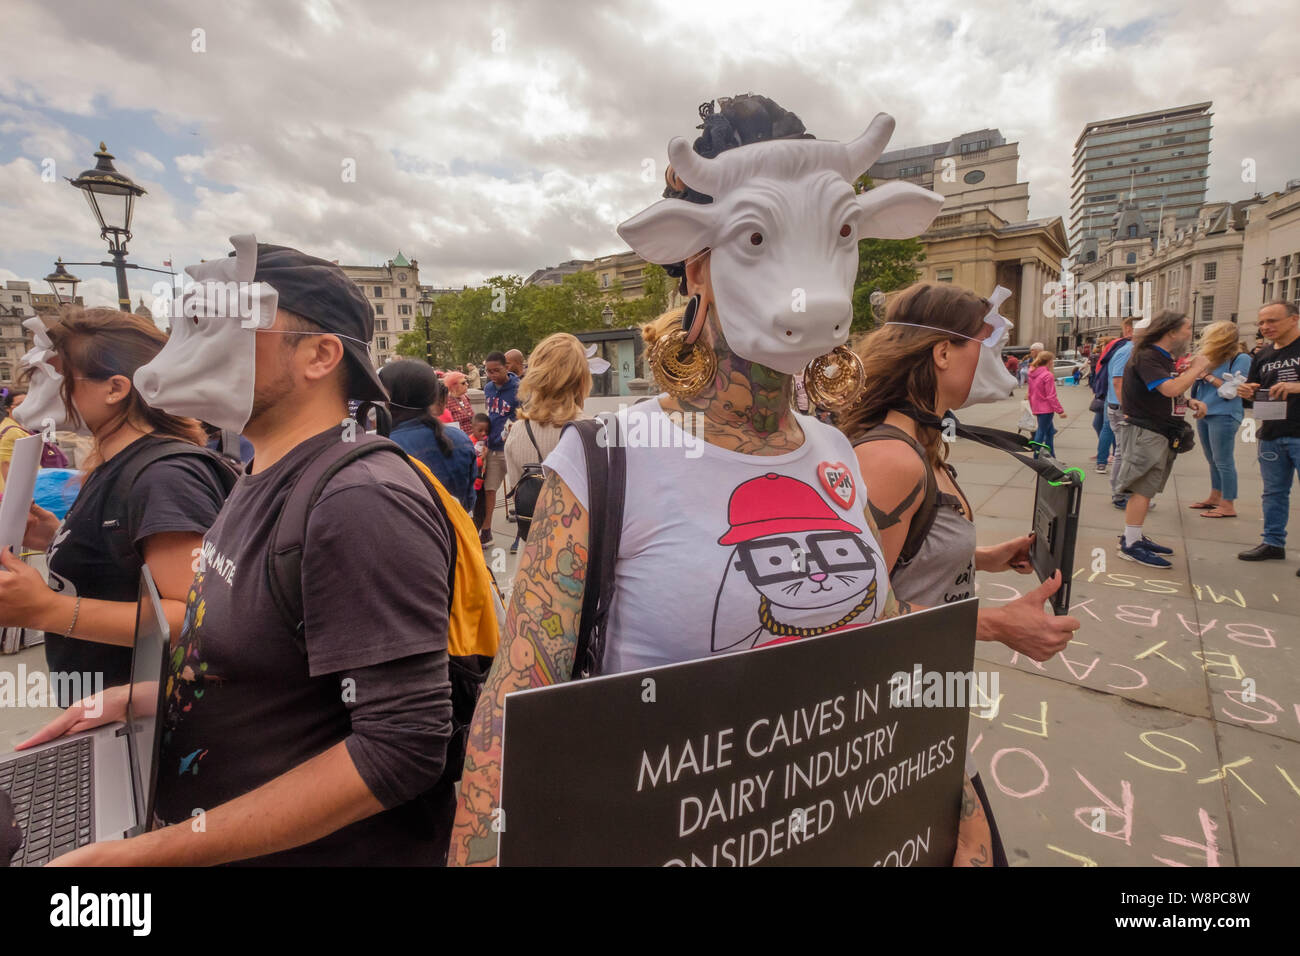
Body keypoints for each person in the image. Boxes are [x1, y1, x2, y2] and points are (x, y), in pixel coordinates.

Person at [450, 94, 992, 867]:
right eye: (756, 238)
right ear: (695, 261)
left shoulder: (837, 451)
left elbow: (887, 643)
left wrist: (957, 795)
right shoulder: (608, 459)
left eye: (837, 232)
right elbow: (513, 708)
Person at [22, 237, 454, 865]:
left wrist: (147, 857)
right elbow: (266, 666)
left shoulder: (357, 500)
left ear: (319, 356)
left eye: (225, 323)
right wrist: (139, 697)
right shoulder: (256, 473)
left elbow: (402, 747)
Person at [841, 281, 1080, 866]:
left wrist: (987, 555)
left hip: (928, 703)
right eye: (982, 341)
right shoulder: (890, 457)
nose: (992, 357)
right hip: (893, 718)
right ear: (942, 353)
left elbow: (899, 556)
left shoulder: (921, 440)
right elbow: (857, 613)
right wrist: (997, 625)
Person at [0, 309, 232, 704]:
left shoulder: (163, 476)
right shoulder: (116, 466)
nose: (44, 392)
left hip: (146, 726)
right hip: (113, 721)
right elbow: (132, 563)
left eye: (56, 377)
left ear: (116, 388)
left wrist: (45, 610)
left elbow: (196, 620)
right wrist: (58, 535)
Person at [1114, 311, 1208, 568]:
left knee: (1148, 487)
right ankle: (1130, 544)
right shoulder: (1148, 356)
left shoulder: (1162, 358)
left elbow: (1165, 392)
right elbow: (1170, 388)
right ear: (1171, 332)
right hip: (1147, 432)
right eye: (1187, 328)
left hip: (1159, 431)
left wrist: (1188, 401)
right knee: (1142, 488)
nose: (1191, 333)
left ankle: (1133, 536)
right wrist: (1198, 369)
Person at [504, 333, 591, 552]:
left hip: (533, 556)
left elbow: (518, 491)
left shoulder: (517, 431)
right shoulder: (594, 431)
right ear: (582, 378)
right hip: (579, 552)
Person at [1236, 301, 1300, 565]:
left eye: (1272, 321)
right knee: (1273, 492)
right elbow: (1257, 391)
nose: (1265, 327)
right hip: (1272, 432)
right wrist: (1246, 392)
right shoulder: (1262, 355)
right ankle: (1273, 542)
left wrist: (1296, 387)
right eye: (1261, 323)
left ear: (1294, 319)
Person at [381, 359, 477, 514]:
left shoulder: (385, 448)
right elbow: (469, 499)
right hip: (457, 532)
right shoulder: (460, 439)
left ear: (389, 397)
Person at [1187, 321, 1251, 519]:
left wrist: (1205, 375)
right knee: (1212, 459)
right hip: (1205, 411)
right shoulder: (1209, 357)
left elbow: (1231, 390)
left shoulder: (1241, 358)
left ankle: (1228, 503)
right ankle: (1215, 496)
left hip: (1224, 412)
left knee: (1223, 460)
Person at [479, 350, 520, 545]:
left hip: (514, 445)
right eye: (488, 371)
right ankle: (486, 529)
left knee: (518, 488)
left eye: (496, 370)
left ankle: (522, 529)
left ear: (506, 368)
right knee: (489, 488)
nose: (493, 375)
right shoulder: (488, 388)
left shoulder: (519, 388)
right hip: (494, 445)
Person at [1106, 317, 1137, 506]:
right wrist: (1127, 408)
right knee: (1124, 452)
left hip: (1121, 406)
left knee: (1127, 452)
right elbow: (1117, 381)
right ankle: (1119, 494)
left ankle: (1125, 493)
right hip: (1122, 409)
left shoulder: (1132, 351)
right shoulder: (1128, 351)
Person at [1026, 350, 1066, 456]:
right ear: (1049, 361)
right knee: (1042, 432)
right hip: (1046, 409)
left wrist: (1033, 407)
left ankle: (1051, 457)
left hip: (1038, 407)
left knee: (1049, 433)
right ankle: (1037, 456)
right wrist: (1060, 411)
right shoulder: (1047, 375)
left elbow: (1030, 393)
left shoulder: (1032, 373)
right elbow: (1051, 396)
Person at [0, 388, 28, 488]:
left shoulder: (17, 426)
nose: (25, 407)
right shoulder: (12, 431)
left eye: (28, 403)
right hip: (17, 488)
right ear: (8, 408)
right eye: (20, 404)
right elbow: (5, 464)